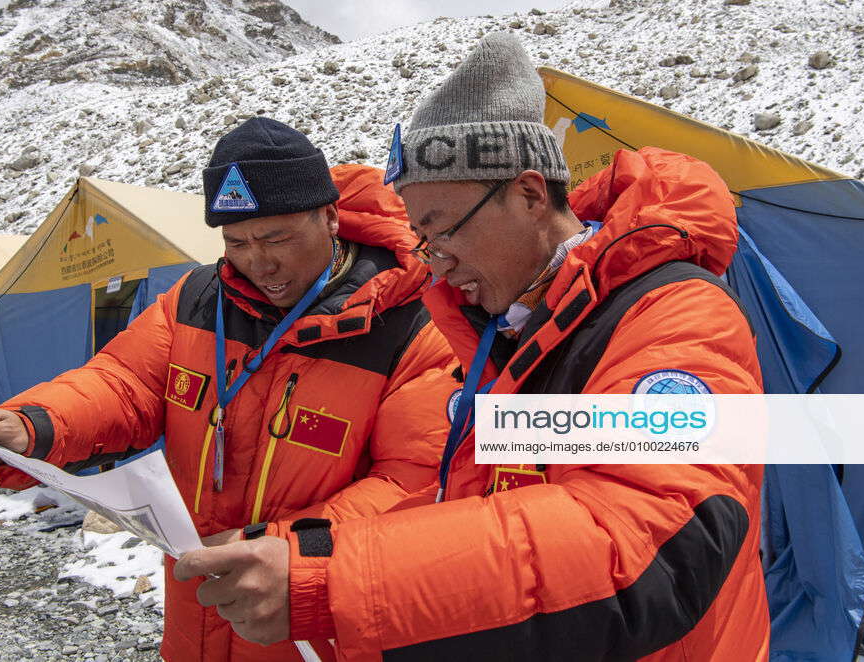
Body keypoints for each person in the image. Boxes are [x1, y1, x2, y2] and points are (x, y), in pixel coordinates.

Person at [173, 34, 771, 660]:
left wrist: (335, 579)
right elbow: (490, 505)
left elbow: (648, 537)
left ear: (531, 195)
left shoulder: (673, 314)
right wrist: (309, 551)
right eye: (420, 238)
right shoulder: (510, 331)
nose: (435, 261)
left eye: (442, 228)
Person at [0, 117, 460, 662]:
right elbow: (122, 383)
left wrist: (282, 549)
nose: (259, 263)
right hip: (198, 613)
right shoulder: (197, 300)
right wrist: (34, 424)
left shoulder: (412, 326)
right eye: (236, 242)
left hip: (315, 615)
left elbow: (412, 482)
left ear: (329, 216)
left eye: (277, 238)